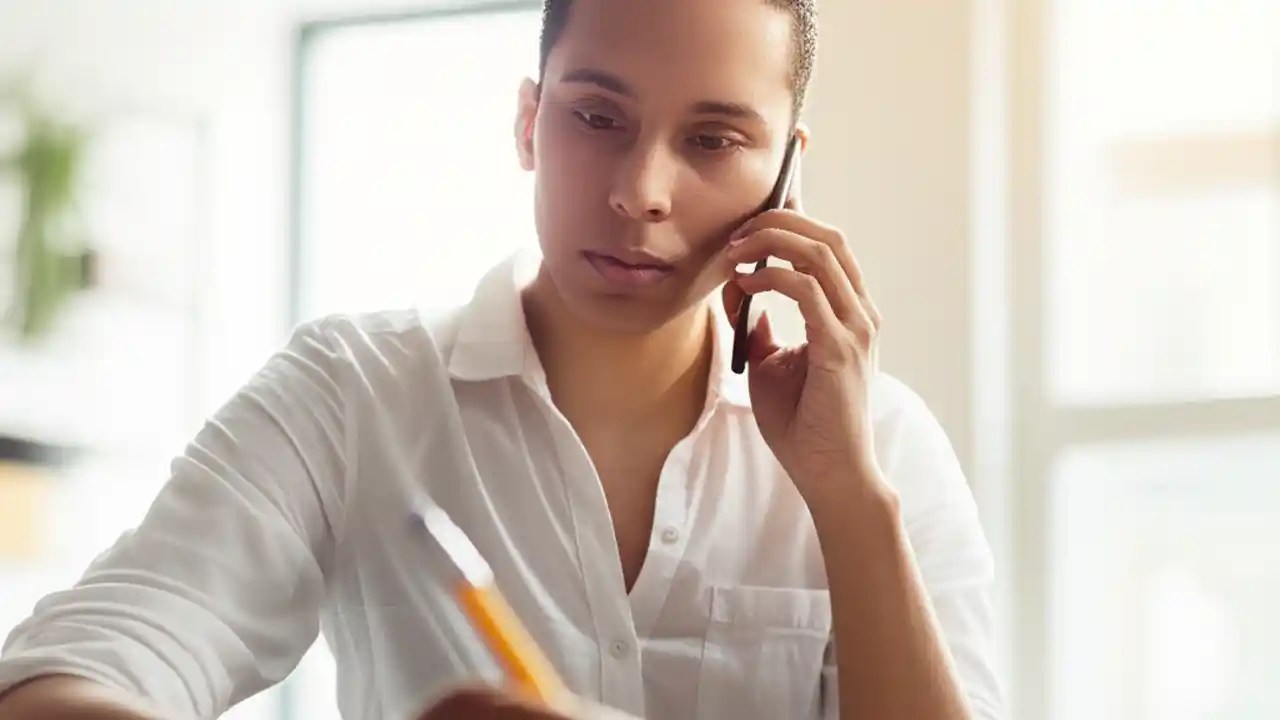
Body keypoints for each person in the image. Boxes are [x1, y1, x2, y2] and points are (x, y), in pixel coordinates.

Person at [0, 0, 1004, 718]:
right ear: (529, 121)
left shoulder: (883, 449)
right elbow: (76, 668)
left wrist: (847, 498)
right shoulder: (354, 394)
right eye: (597, 117)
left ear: (786, 170)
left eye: (711, 140)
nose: (640, 191)